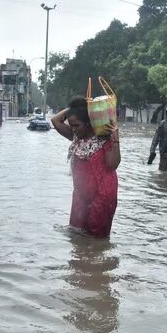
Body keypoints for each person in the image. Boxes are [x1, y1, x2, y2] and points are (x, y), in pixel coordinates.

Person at [51, 96, 120, 238]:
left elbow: (113, 165)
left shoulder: (104, 139)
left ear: (88, 123)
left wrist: (116, 139)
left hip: (102, 196)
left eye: (76, 125)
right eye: (71, 125)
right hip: (81, 195)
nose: (73, 129)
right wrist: (76, 107)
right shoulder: (76, 137)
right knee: (76, 235)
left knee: (96, 240)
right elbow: (55, 120)